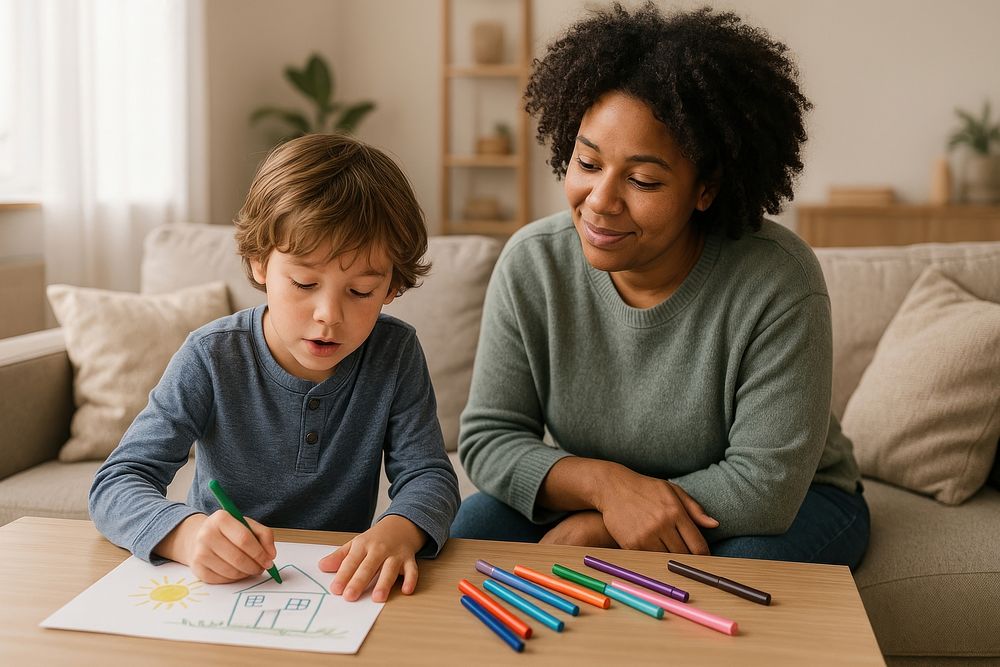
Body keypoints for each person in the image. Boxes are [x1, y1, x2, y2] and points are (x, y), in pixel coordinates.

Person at [452, 3, 869, 568]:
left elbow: (766, 486)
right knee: (473, 527)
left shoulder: (777, 279)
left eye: (643, 179)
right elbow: (490, 437)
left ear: (706, 190)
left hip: (783, 504)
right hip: (607, 492)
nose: (600, 201)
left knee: (732, 568)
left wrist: (600, 529)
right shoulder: (533, 264)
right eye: (587, 162)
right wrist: (606, 489)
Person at [91, 133, 461, 602]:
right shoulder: (211, 356)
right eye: (305, 282)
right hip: (216, 590)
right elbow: (116, 483)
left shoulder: (395, 353)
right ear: (258, 263)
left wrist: (400, 530)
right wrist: (185, 536)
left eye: (361, 291)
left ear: (392, 287)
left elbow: (429, 475)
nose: (329, 314)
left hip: (335, 594)